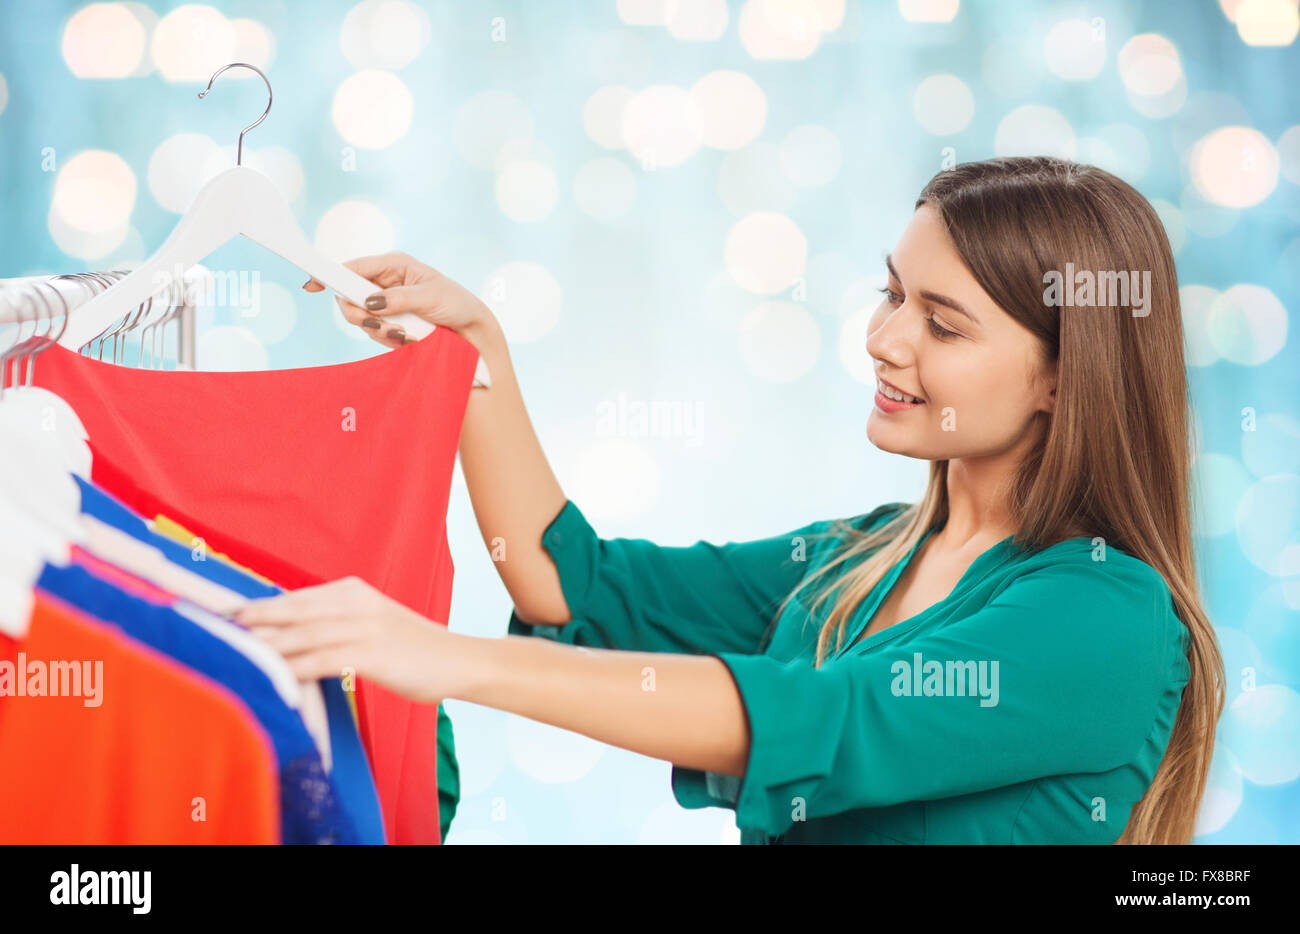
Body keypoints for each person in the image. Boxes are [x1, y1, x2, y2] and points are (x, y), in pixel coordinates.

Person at [237, 156, 1224, 845]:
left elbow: (821, 718)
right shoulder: (859, 559)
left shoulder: (1108, 616)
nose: (883, 340)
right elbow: (572, 586)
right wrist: (478, 357)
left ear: (1064, 375)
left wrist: (446, 661)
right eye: (892, 294)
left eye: (944, 324)